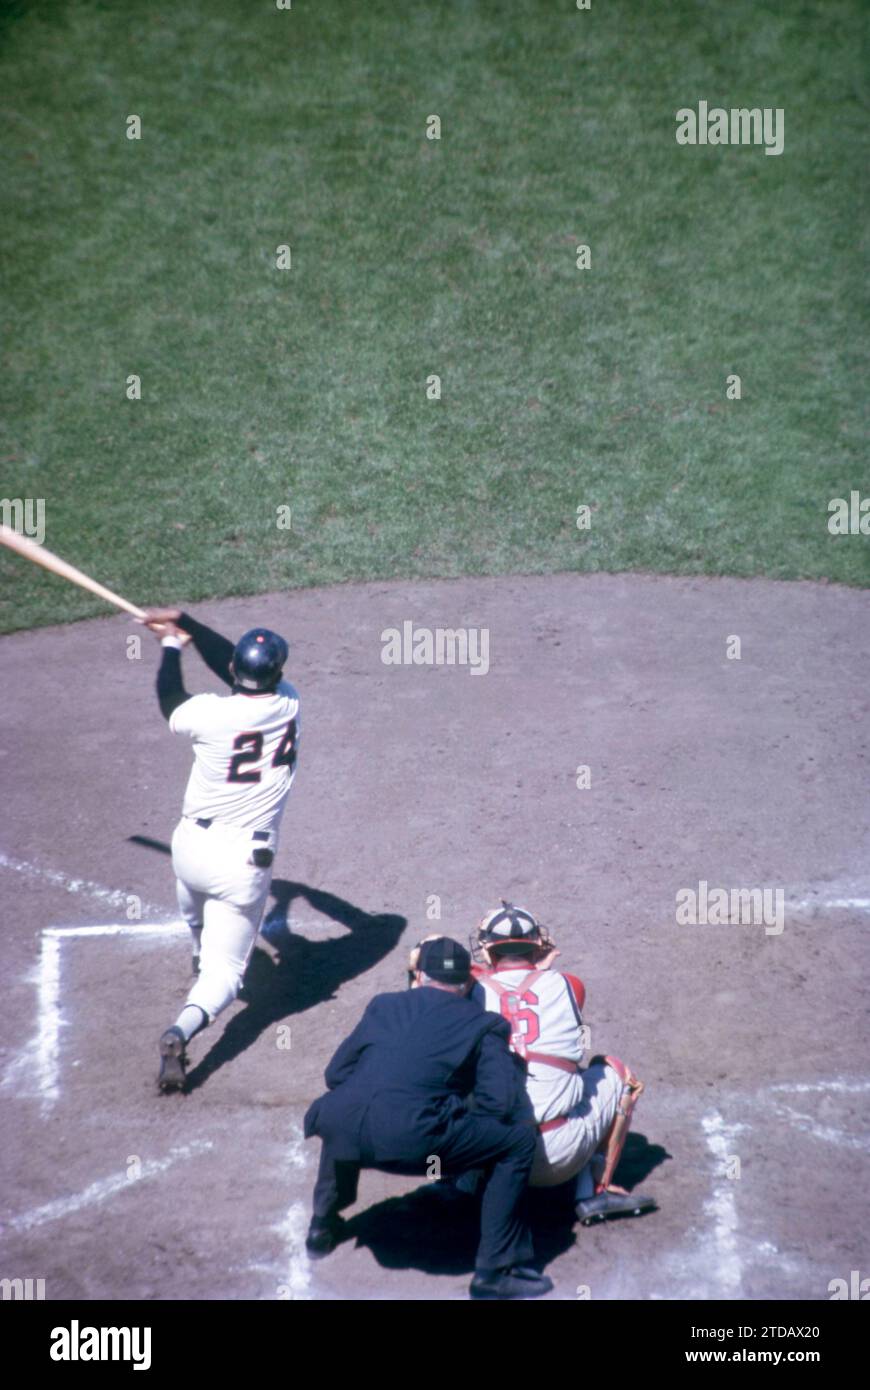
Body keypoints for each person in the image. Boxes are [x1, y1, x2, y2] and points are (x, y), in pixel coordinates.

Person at [304, 937, 553, 1300]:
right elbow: (497, 1104)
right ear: (468, 983)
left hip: (339, 1125)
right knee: (517, 1141)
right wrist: (451, 1104)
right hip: (413, 1142)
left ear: (419, 976)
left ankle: (321, 1228)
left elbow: (335, 1075)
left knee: (348, 1108)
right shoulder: (485, 1024)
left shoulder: (382, 1005)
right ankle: (494, 1272)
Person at [140, 606, 300, 1092]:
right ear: (278, 673)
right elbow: (236, 663)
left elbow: (170, 698)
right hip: (242, 863)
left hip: (190, 846)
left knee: (195, 905)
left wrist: (172, 643)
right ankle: (180, 1030)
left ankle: (194, 948)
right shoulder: (289, 702)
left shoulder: (208, 715)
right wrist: (185, 623)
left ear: (235, 672)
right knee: (226, 973)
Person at [469, 902, 656, 1224]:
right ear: (539, 945)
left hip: (488, 1155)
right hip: (558, 1157)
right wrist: (539, 968)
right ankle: (594, 1193)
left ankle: (460, 1183)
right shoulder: (569, 985)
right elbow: (530, 996)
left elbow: (491, 986)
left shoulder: (469, 994)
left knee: (456, 1077)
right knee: (610, 1073)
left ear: (486, 951)